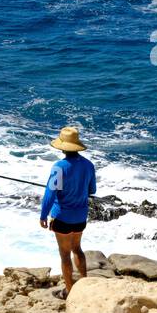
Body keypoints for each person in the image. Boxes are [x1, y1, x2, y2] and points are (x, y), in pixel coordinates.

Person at [39, 126, 96, 299]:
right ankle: (84, 284)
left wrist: (43, 215)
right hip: (80, 217)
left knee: (64, 254)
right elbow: (91, 189)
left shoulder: (59, 167)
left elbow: (50, 194)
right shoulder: (88, 165)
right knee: (77, 249)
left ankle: (70, 292)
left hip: (62, 218)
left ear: (63, 147)